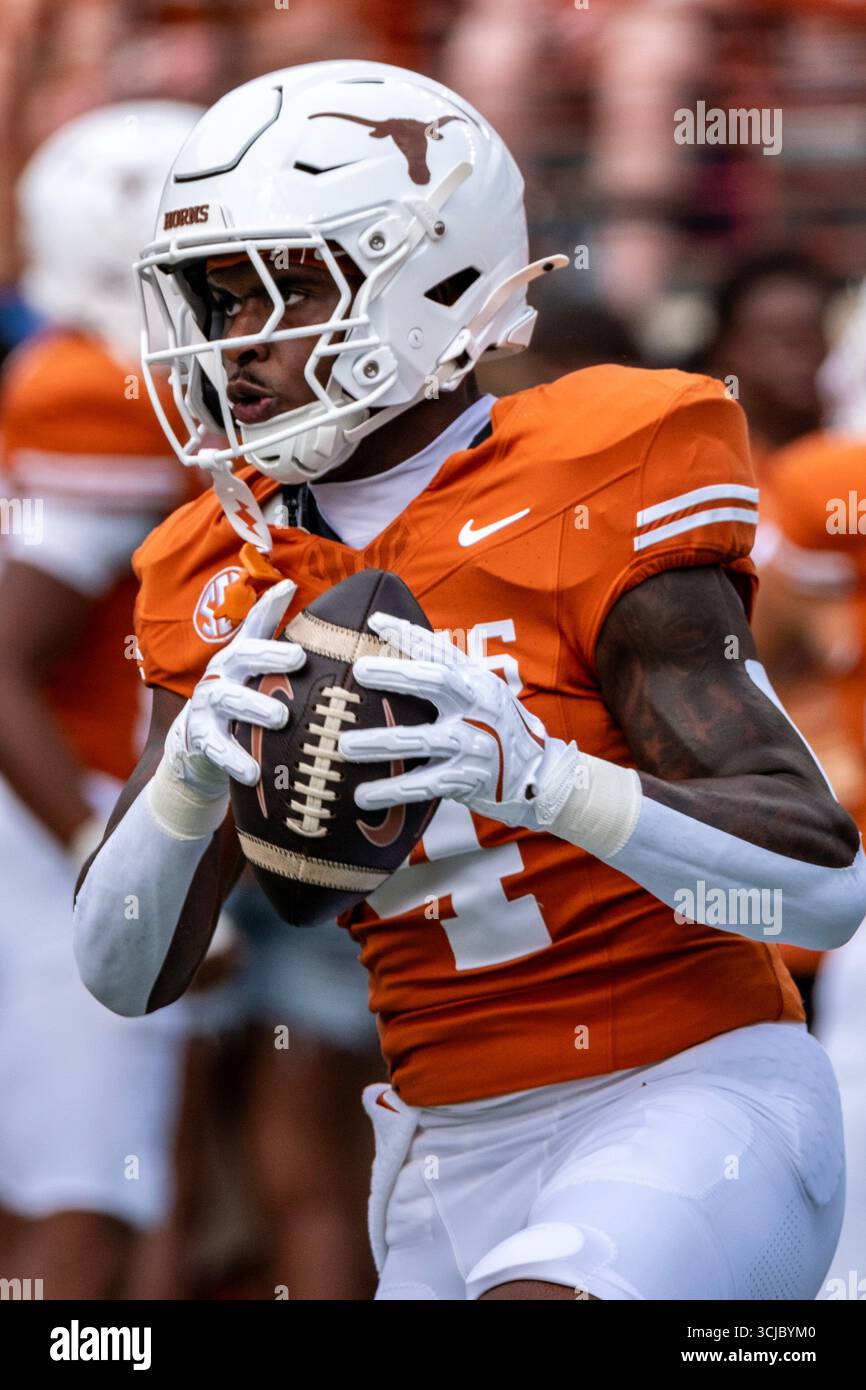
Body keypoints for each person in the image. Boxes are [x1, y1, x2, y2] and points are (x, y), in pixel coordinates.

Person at [73, 60, 866, 1301]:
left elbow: (822, 895)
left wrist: (549, 783)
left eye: (282, 290)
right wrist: (181, 788)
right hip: (438, 1142)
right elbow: (124, 975)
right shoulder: (215, 565)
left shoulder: (600, 467)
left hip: (688, 1100)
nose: (237, 344)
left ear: (428, 274)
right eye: (217, 300)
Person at [0, 101, 202, 1298]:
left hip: (63, 809)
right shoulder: (110, 391)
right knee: (85, 1188)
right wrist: (103, 860)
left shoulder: (78, 368)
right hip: (61, 807)